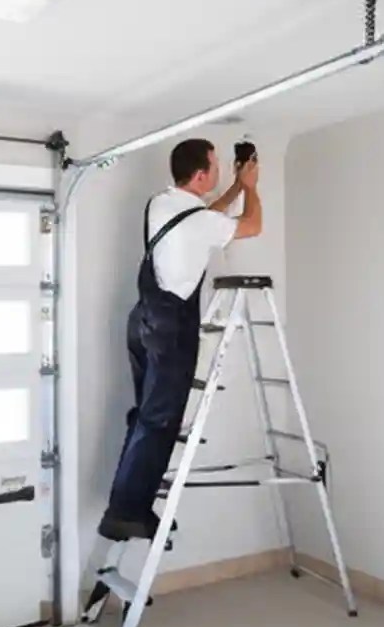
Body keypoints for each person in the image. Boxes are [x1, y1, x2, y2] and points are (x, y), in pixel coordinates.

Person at [100, 138, 263, 541]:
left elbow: (203, 219)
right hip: (169, 332)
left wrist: (236, 188)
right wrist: (251, 188)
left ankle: (128, 503)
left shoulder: (162, 203)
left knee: (146, 417)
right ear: (201, 175)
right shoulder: (199, 220)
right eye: (216, 166)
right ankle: (126, 512)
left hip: (143, 322)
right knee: (160, 421)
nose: (220, 170)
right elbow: (252, 225)